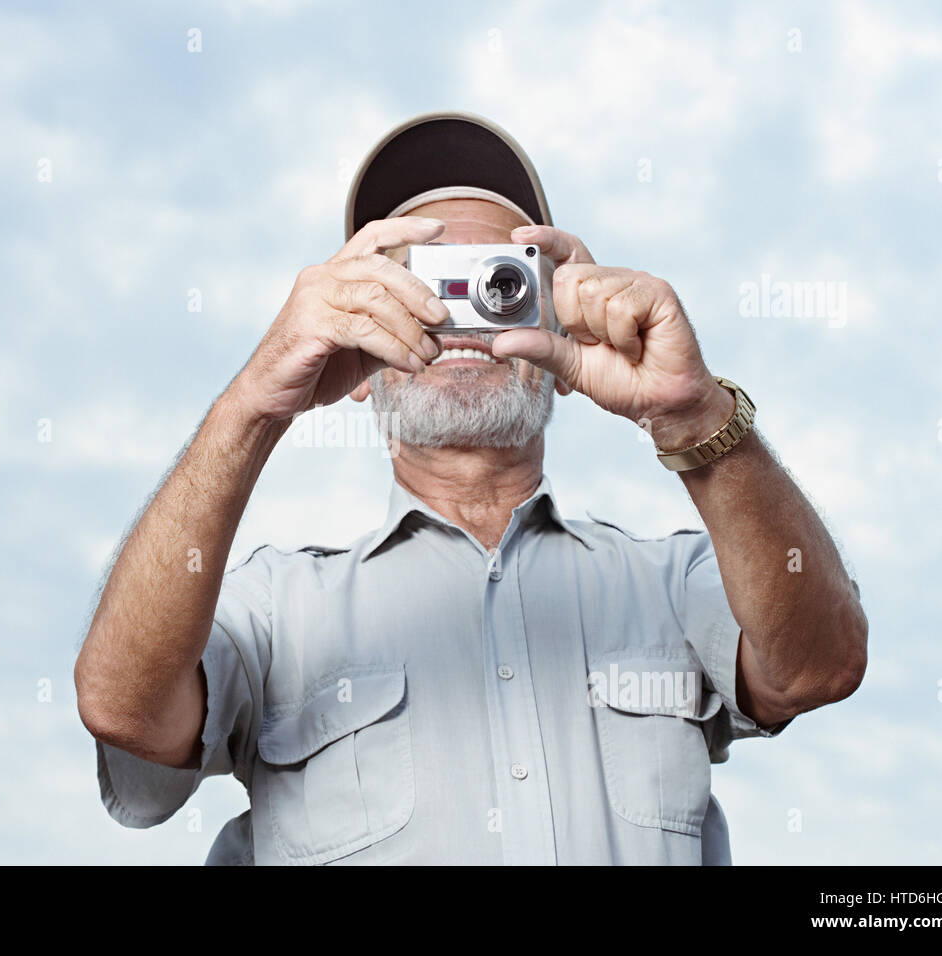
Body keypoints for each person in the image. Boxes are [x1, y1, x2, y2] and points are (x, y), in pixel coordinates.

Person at [74, 111, 868, 865]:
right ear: (351, 353)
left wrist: (694, 414)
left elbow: (818, 667)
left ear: (564, 327)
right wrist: (254, 403)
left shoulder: (673, 584)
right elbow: (122, 708)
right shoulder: (277, 611)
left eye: (495, 281)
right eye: (418, 286)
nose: (457, 318)